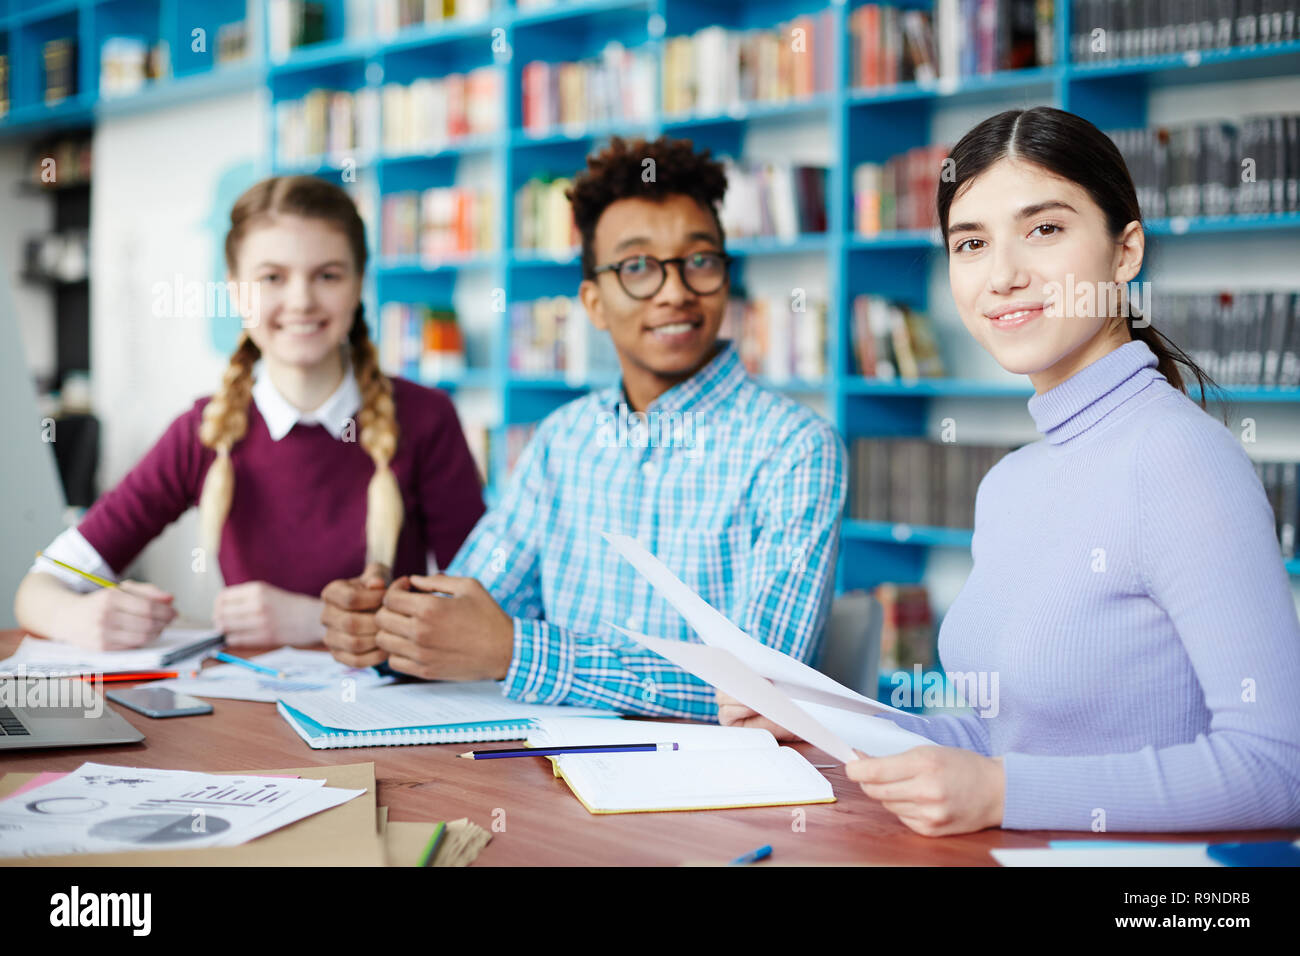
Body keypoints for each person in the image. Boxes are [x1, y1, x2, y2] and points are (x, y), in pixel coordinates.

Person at [721, 106, 1300, 835]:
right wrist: (832, 728)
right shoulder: (1011, 481)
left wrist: (1001, 795)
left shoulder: (1183, 461)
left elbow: (1280, 768)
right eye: (971, 242)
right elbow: (1011, 746)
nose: (1003, 275)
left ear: (1125, 253)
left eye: (1044, 230)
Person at [320, 135, 847, 719]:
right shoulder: (562, 439)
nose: (675, 291)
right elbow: (466, 608)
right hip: (549, 776)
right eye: (639, 267)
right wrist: (386, 631)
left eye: (699, 261)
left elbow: (757, 691)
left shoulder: (797, 448)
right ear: (593, 303)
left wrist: (516, 651)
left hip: (718, 795)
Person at [15, 175, 485, 650]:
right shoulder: (204, 430)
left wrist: (316, 620)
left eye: (328, 275)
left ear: (358, 284)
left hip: (390, 711)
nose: (301, 300)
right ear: (236, 292)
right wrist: (80, 617)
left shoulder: (426, 419)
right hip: (248, 709)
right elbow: (41, 587)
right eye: (272, 278)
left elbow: (480, 614)